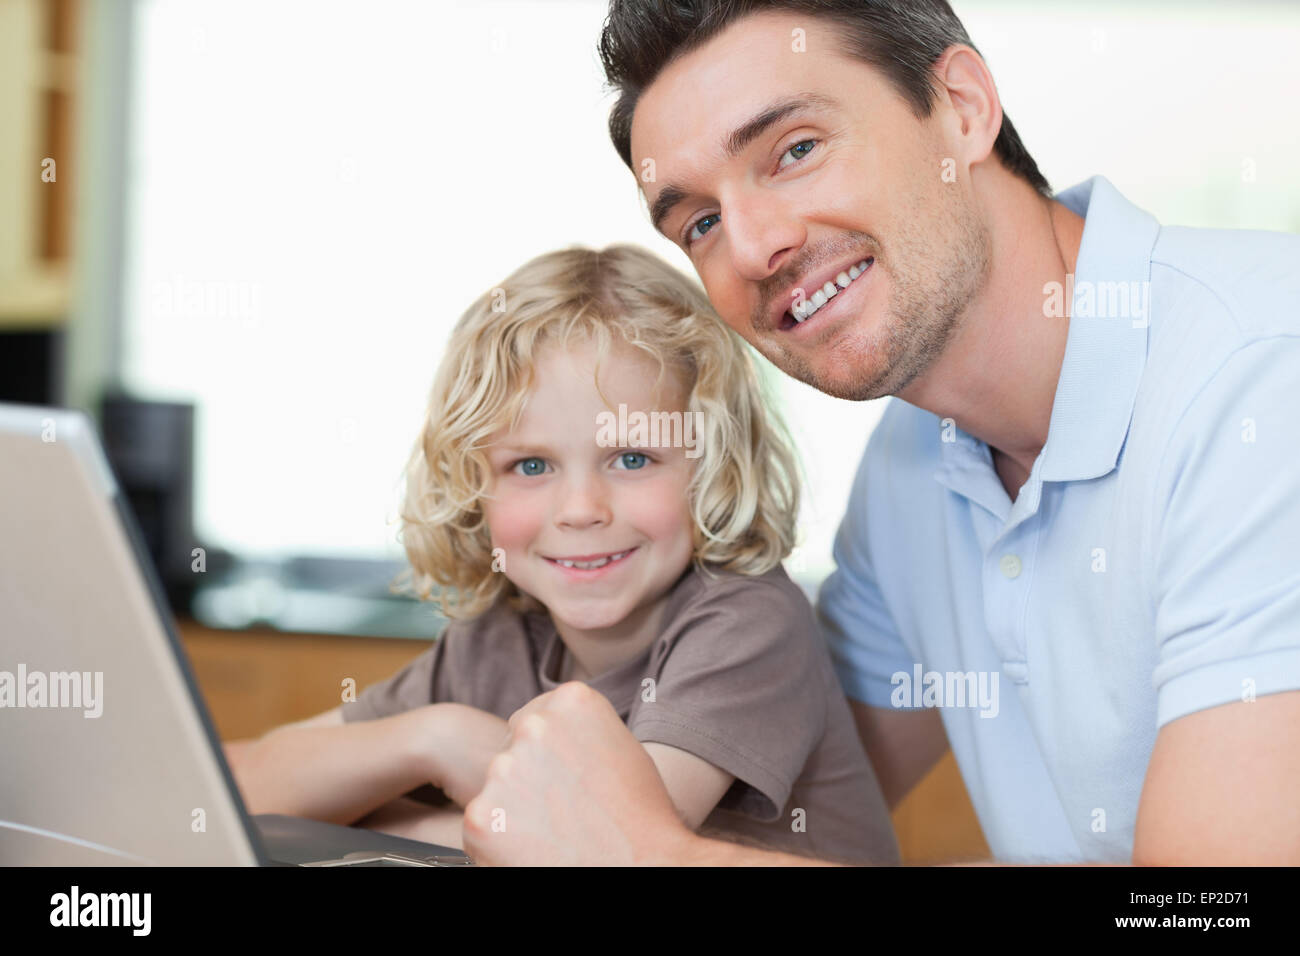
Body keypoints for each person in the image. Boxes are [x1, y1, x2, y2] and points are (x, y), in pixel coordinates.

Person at [460, 0, 1300, 865]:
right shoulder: (913, 463)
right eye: (700, 223)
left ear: (963, 108)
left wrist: (645, 858)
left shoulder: (1261, 378)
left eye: (795, 151)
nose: (752, 248)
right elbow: (785, 802)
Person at [224, 243, 900, 865]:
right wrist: (432, 737)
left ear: (713, 466)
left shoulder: (746, 622)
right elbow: (239, 783)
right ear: (473, 487)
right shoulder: (498, 637)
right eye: (529, 466)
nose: (581, 509)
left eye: (632, 458)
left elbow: (588, 845)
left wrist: (372, 818)